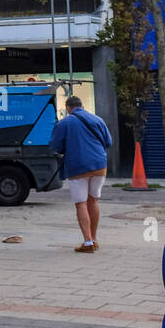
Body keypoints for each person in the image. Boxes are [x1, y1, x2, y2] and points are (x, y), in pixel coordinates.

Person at [49, 95, 113, 253]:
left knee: (81, 203)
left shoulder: (65, 122)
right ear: (82, 106)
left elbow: (55, 145)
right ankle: (95, 239)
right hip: (99, 165)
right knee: (93, 201)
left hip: (78, 167)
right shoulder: (98, 119)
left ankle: (88, 241)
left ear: (68, 108)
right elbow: (109, 142)